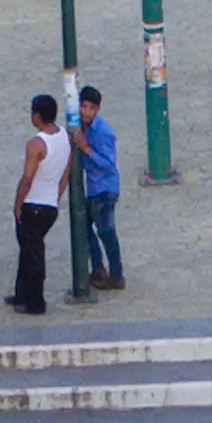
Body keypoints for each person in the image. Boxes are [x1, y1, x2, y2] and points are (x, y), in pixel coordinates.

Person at [7, 93, 71, 316]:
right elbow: (67, 170)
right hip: (49, 203)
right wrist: (57, 194)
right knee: (28, 249)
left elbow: (27, 178)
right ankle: (21, 294)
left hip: (33, 204)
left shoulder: (36, 144)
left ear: (36, 116)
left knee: (32, 253)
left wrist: (17, 202)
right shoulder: (64, 136)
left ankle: (35, 301)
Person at [74, 85, 124, 292]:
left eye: (91, 108)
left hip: (104, 188)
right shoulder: (81, 127)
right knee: (84, 226)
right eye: (83, 106)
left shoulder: (102, 132)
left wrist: (86, 148)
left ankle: (116, 274)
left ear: (98, 109)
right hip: (94, 188)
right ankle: (97, 268)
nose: (86, 112)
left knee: (106, 232)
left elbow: (108, 163)